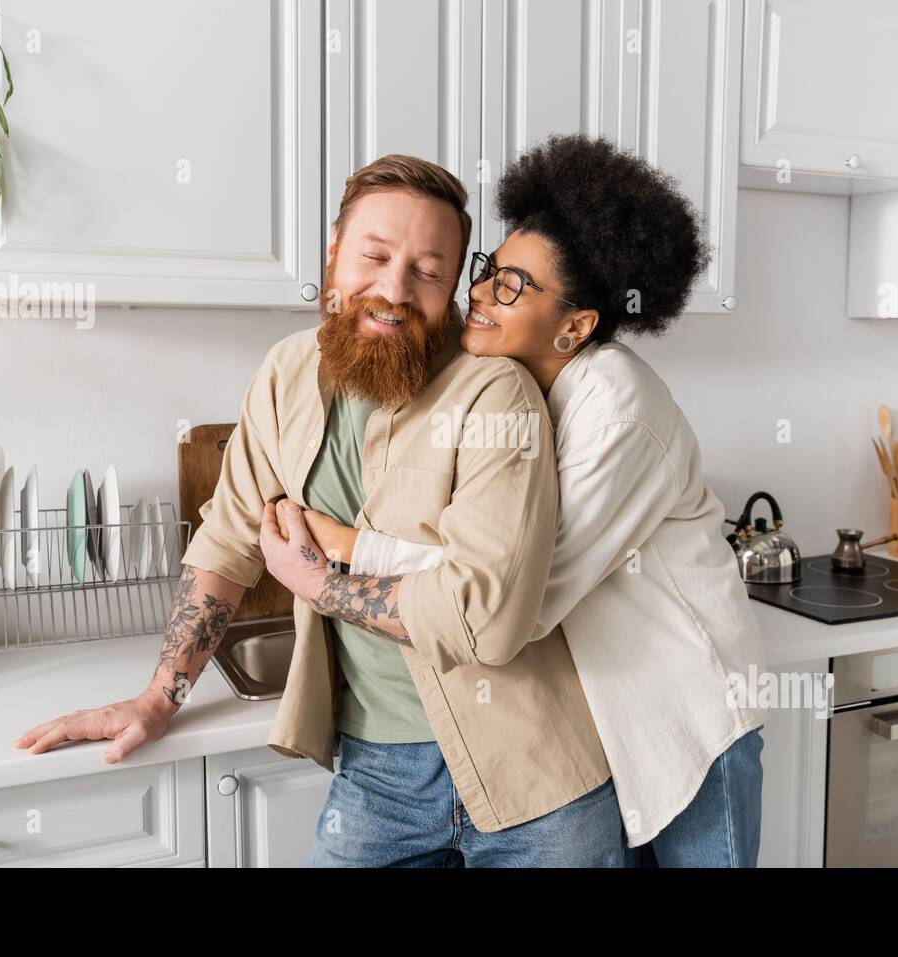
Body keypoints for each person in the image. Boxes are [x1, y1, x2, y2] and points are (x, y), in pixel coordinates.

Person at [15, 153, 623, 867]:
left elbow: (485, 619)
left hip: (535, 773)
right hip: (378, 775)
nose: (393, 288)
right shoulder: (285, 373)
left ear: (454, 285)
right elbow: (230, 542)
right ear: (333, 254)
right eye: (374, 255)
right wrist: (158, 697)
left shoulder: (496, 396)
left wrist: (319, 584)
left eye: (428, 270)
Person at [268, 134, 770, 867]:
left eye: (511, 286)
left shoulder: (617, 405)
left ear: (575, 326)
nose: (476, 293)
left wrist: (343, 551)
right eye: (488, 272)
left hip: (688, 718)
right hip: (613, 719)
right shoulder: (527, 388)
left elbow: (516, 597)